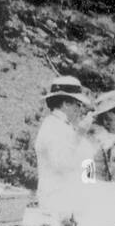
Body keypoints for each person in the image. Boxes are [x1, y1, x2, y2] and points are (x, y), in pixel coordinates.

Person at [34, 76, 95, 218]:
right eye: (77, 104)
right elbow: (61, 163)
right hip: (57, 204)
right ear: (66, 103)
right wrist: (80, 134)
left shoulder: (65, 127)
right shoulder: (52, 127)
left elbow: (86, 165)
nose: (80, 109)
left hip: (72, 203)